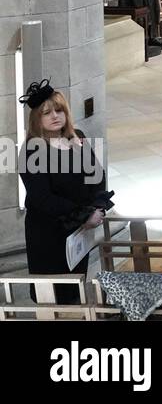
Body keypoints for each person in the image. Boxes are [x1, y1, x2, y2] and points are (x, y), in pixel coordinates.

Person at [19, 81, 112, 303]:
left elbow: (97, 176)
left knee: (76, 286)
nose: (55, 116)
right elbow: (42, 199)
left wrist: (97, 208)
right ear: (37, 119)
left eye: (59, 110)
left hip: (79, 229)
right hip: (50, 232)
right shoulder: (32, 150)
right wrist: (84, 214)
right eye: (47, 113)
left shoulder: (76, 136)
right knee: (52, 293)